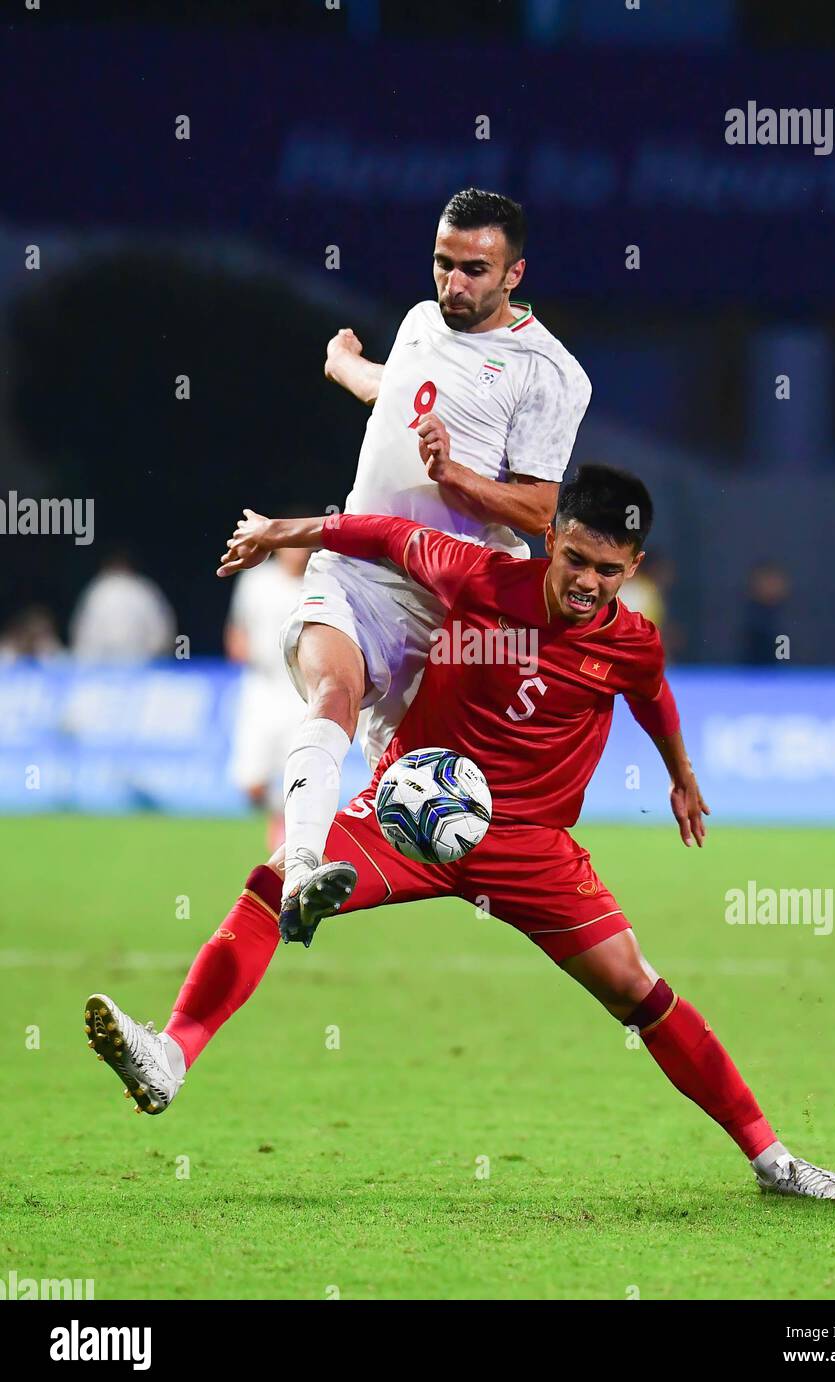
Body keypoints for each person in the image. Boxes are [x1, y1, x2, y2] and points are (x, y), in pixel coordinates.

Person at [85, 464, 835, 1202]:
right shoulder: (481, 578)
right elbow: (385, 535)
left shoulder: (632, 641)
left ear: (634, 566)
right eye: (578, 560)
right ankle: (172, 1056)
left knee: (638, 990)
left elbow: (651, 694)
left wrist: (681, 774)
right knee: (276, 878)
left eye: (610, 570)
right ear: (553, 537)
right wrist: (282, 532)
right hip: (415, 812)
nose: (589, 583)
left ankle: (774, 1160)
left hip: (532, 847)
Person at [276, 187, 591, 941]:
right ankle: (299, 873)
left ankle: (559, 918)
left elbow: (541, 511)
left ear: (514, 273)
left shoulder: (549, 373)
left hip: (452, 607)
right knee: (332, 695)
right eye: (443, 265)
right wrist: (343, 364)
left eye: (475, 270)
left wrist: (454, 477)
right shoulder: (422, 321)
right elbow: (400, 396)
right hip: (357, 571)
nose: (454, 284)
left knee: (417, 798)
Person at [224, 546, 314, 849]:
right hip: (261, 691)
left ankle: (296, 838)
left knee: (298, 777)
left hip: (302, 694)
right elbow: (237, 629)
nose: (297, 554)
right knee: (250, 783)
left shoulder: (317, 582)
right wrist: (242, 651)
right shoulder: (256, 581)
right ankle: (280, 814)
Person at [70, 549, 175, 663]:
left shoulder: (97, 589)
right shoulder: (99, 590)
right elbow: (162, 634)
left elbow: (81, 635)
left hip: (120, 666)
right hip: (132, 665)